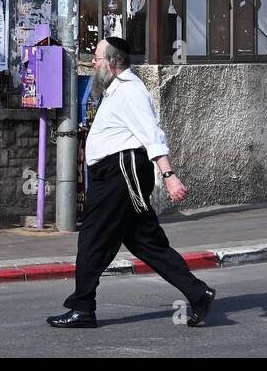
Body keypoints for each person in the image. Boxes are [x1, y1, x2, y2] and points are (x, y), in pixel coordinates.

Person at [47, 36, 215, 329]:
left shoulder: (130, 91)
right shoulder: (115, 90)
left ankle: (83, 308)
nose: (93, 64)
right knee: (144, 241)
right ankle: (198, 293)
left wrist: (169, 175)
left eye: (97, 59)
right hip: (116, 173)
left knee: (92, 239)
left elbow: (152, 134)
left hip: (121, 173)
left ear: (112, 63)